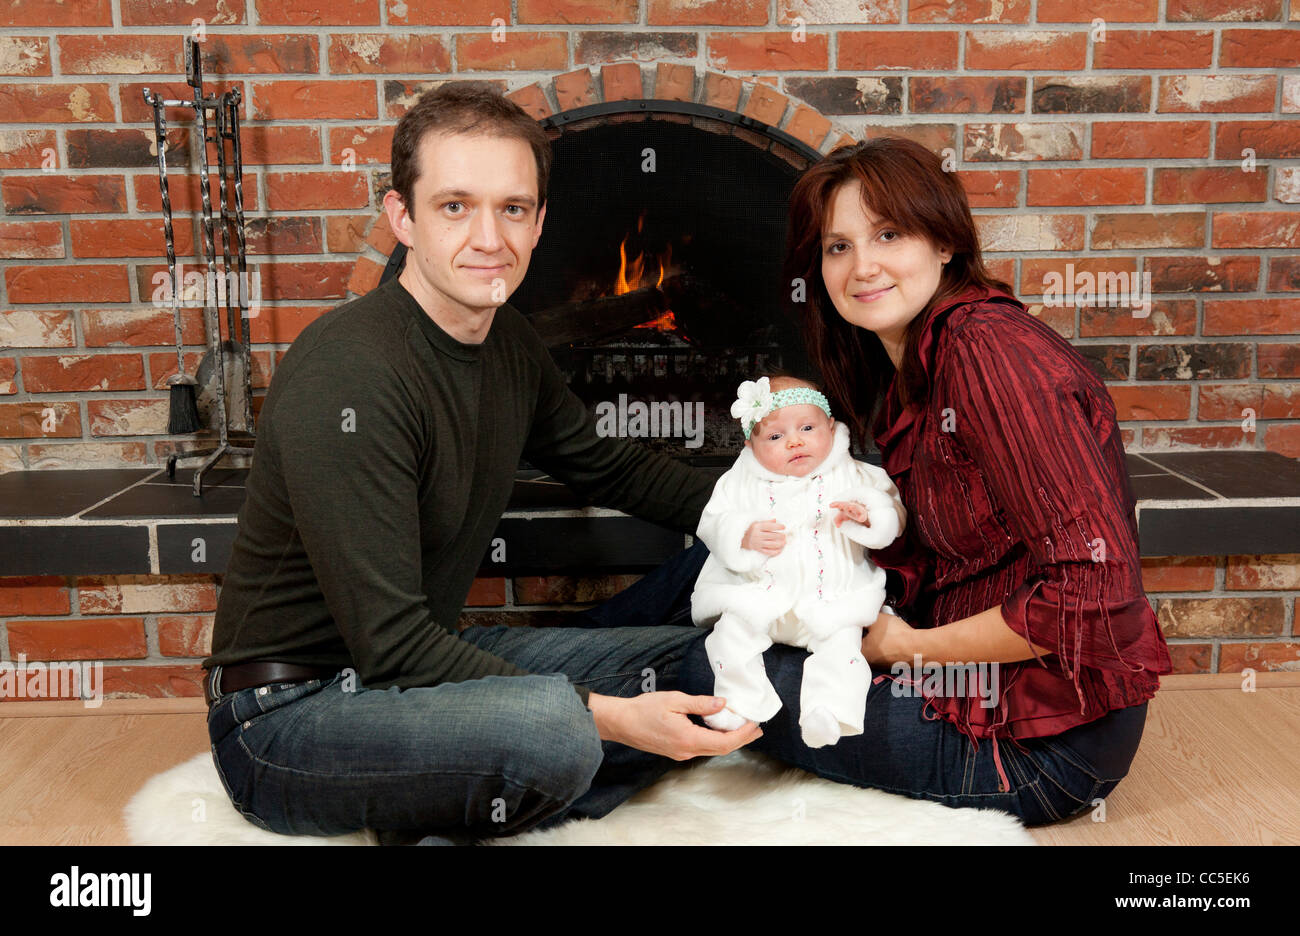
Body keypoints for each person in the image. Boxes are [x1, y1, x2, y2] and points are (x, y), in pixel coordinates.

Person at [201, 81, 761, 845]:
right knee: (558, 729)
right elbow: (393, 647)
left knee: (704, 663)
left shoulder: (509, 346)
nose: (489, 238)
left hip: (421, 677)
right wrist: (604, 716)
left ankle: (450, 798)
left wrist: (766, 516)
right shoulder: (350, 370)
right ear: (403, 217)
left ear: (537, 225)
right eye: (456, 206)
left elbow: (608, 467)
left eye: (513, 208)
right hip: (289, 721)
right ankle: (482, 785)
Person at [678, 136, 1174, 826]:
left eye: (889, 233)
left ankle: (544, 707)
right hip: (973, 677)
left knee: (699, 667)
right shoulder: (916, 358)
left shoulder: (985, 350)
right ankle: (539, 689)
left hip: (1037, 746)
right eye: (838, 246)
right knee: (727, 562)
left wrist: (900, 647)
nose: (862, 265)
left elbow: (1093, 594)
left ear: (944, 243)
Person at [690, 374, 906, 748]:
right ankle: (740, 702)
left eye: (807, 427)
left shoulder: (856, 474)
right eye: (775, 436)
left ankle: (829, 711)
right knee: (728, 637)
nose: (794, 441)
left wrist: (867, 516)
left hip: (830, 600)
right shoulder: (737, 481)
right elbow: (711, 522)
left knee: (843, 644)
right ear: (751, 445)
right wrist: (742, 533)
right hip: (760, 596)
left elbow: (893, 515)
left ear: (831, 428)